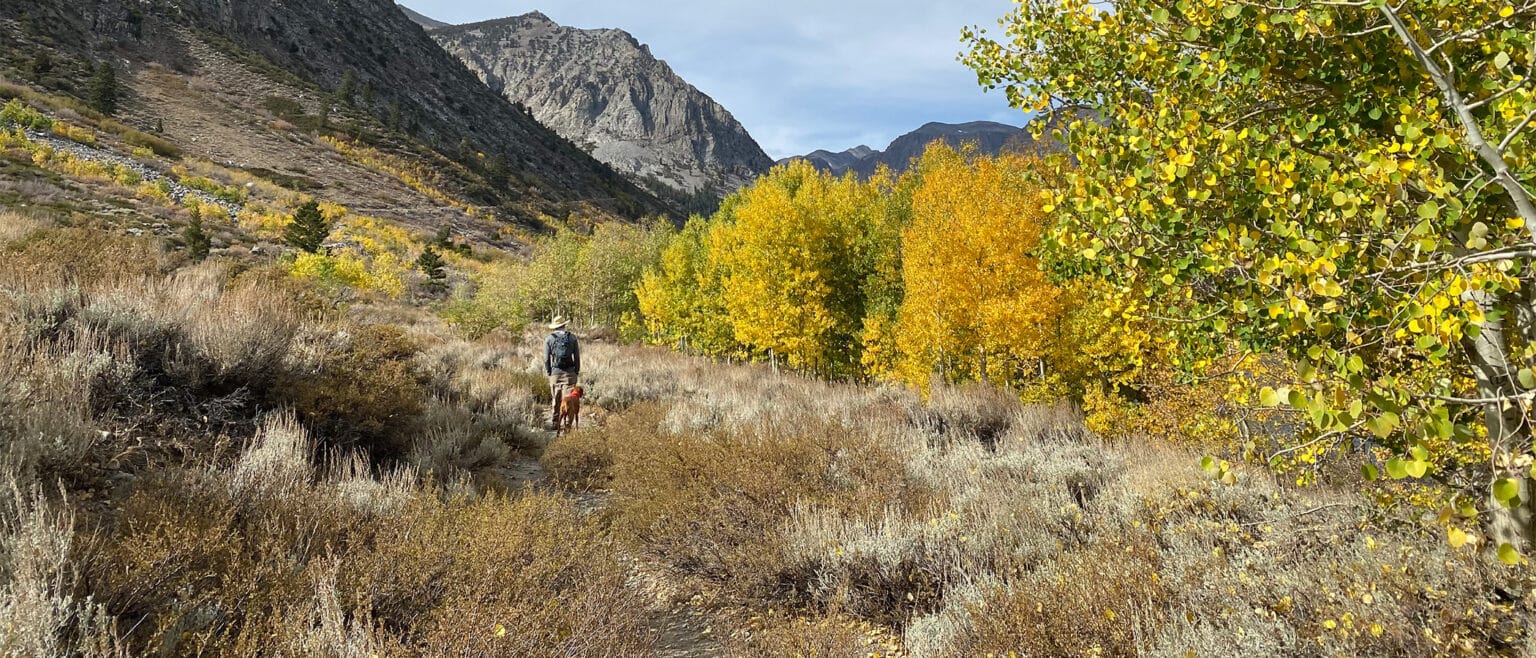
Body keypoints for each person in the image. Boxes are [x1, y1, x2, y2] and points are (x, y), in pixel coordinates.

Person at [544, 316, 581, 429]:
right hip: (570, 374)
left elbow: (546, 359)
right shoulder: (572, 338)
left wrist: (549, 371)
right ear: (564, 325)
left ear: (555, 326)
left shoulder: (549, 339)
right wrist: (576, 370)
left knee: (556, 398)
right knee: (569, 400)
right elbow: (577, 357)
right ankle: (568, 425)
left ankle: (555, 423)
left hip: (555, 373)